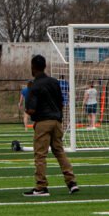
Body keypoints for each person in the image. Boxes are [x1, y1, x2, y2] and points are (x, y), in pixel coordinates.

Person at [23, 54, 78, 197]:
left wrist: (28, 97)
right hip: (57, 121)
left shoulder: (34, 85)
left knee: (40, 155)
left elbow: (31, 110)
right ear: (45, 66)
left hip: (43, 122)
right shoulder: (55, 82)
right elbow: (61, 103)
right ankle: (71, 182)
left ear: (33, 68)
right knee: (59, 151)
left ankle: (41, 186)